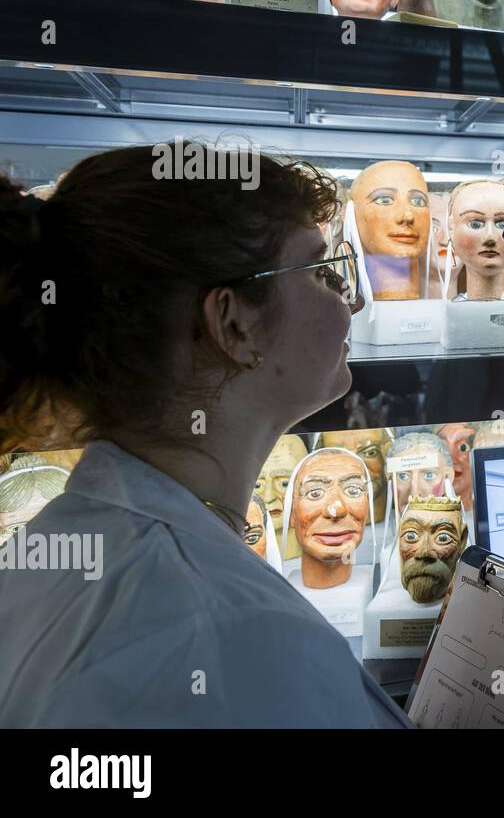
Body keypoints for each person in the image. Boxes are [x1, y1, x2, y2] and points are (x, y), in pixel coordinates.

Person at [0, 143, 409, 727]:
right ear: (233, 324)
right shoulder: (235, 636)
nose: (351, 303)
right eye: (319, 271)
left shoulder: (57, 551)